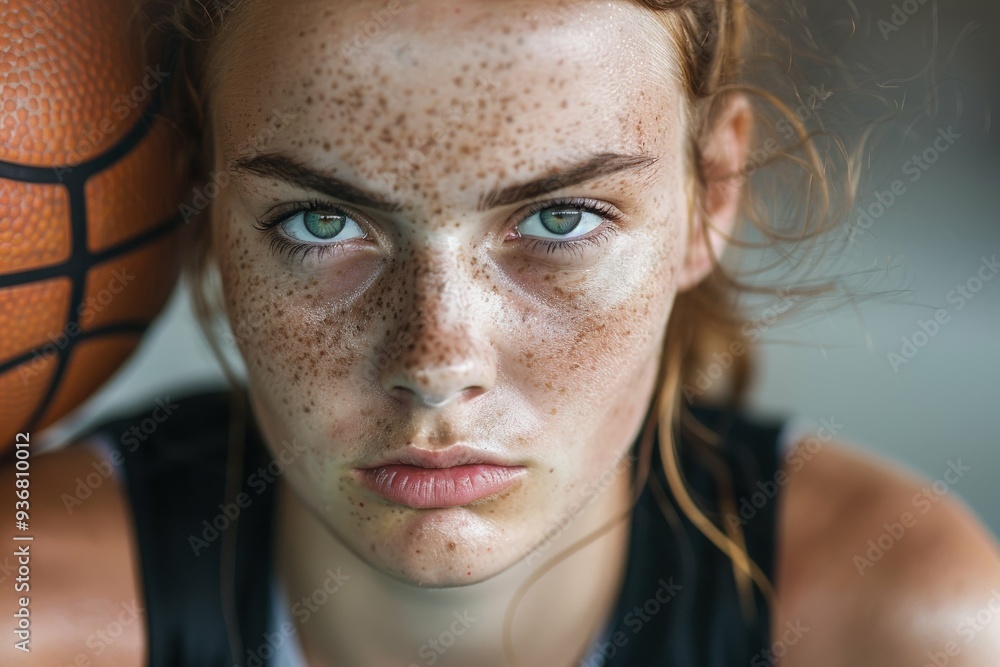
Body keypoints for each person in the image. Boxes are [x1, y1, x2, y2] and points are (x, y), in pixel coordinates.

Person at [4, 1, 1000, 665]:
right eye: (322, 223)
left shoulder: (895, 623)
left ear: (711, 193)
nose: (438, 363)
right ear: (203, 213)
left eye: (560, 220)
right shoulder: (33, 612)